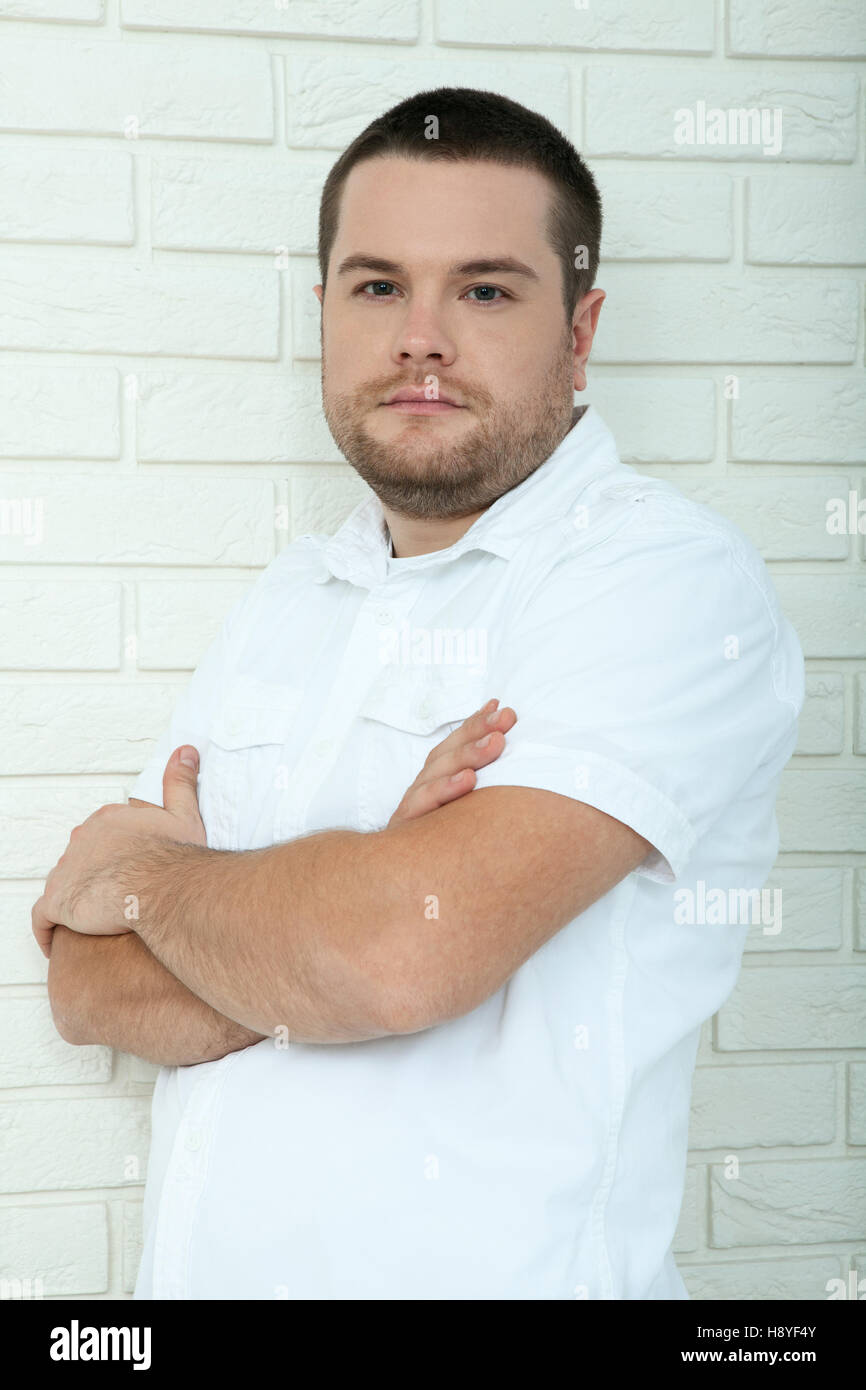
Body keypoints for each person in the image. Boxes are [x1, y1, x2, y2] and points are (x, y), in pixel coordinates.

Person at [38, 87, 804, 1300]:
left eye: (486, 290)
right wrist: (324, 921)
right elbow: (84, 984)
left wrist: (142, 878)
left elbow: (395, 958)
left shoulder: (659, 581)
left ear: (580, 328)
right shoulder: (290, 599)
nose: (420, 338)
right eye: (377, 284)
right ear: (325, 312)